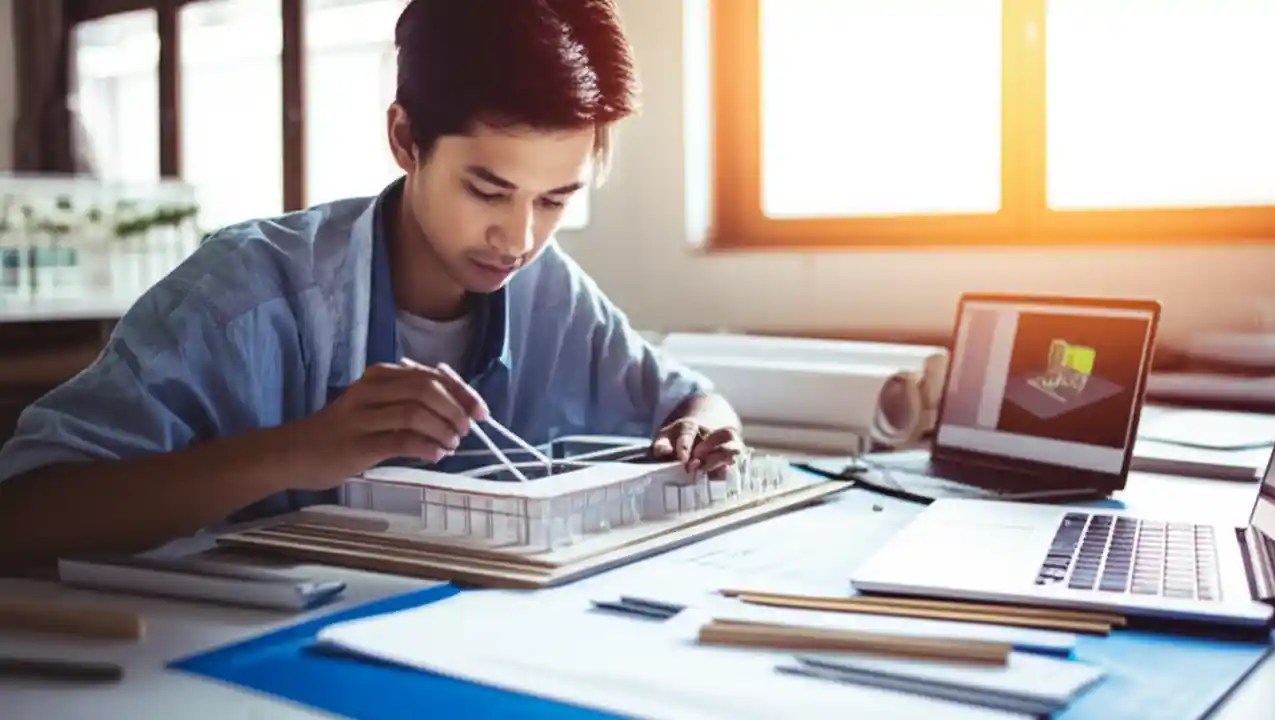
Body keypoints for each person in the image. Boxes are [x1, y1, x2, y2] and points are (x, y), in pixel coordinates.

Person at [0, 0, 742, 569]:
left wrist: (705, 431)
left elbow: (689, 402)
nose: (518, 240)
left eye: (555, 200)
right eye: (487, 190)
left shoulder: (551, 292)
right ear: (403, 140)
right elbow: (24, 515)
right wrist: (299, 451)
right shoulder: (246, 298)